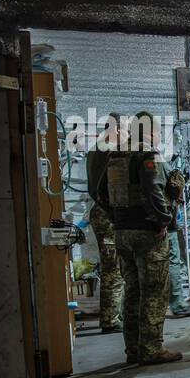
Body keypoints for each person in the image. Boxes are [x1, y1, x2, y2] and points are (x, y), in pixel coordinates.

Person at [96, 111, 183, 366]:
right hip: (148, 233)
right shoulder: (148, 156)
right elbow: (154, 189)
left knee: (133, 291)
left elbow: (101, 193)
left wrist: (116, 219)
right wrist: (163, 221)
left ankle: (133, 348)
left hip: (122, 233)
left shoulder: (115, 156)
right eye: (157, 132)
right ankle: (151, 349)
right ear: (150, 132)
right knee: (155, 292)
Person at [86, 112, 124, 333]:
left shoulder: (94, 149)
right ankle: (110, 320)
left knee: (112, 266)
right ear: (116, 130)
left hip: (100, 212)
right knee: (113, 268)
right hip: (107, 214)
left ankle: (113, 315)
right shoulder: (108, 151)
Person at [163, 152, 190, 319]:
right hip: (162, 224)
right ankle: (177, 304)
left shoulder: (118, 158)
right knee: (172, 260)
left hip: (134, 224)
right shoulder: (153, 160)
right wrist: (164, 218)